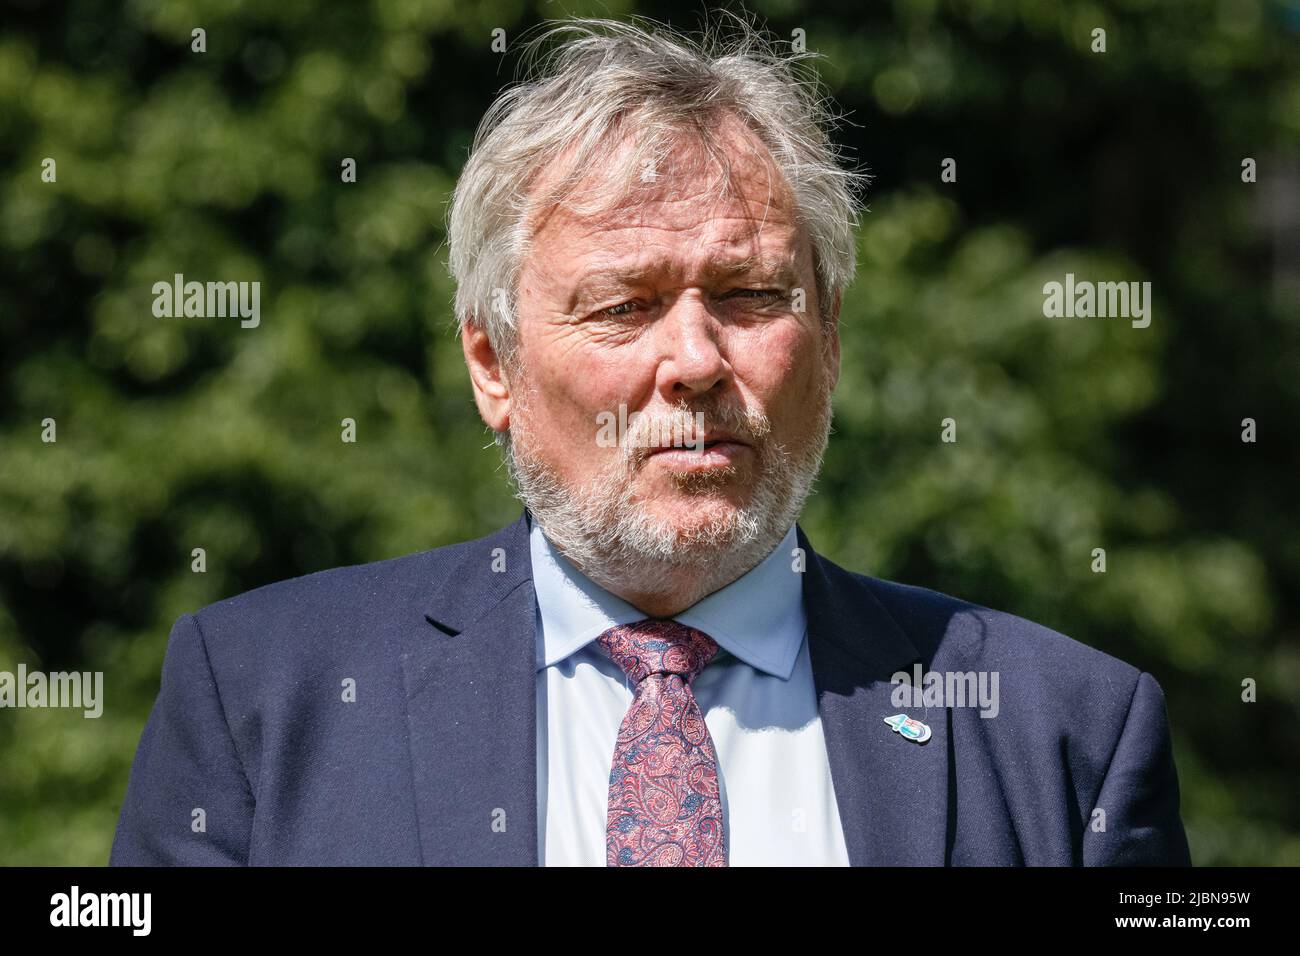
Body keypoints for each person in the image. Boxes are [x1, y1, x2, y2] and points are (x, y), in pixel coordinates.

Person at [110, 16, 1191, 866]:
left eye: (750, 293)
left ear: (830, 339)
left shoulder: (1065, 733)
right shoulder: (262, 700)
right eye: (623, 304)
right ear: (492, 362)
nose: (695, 359)